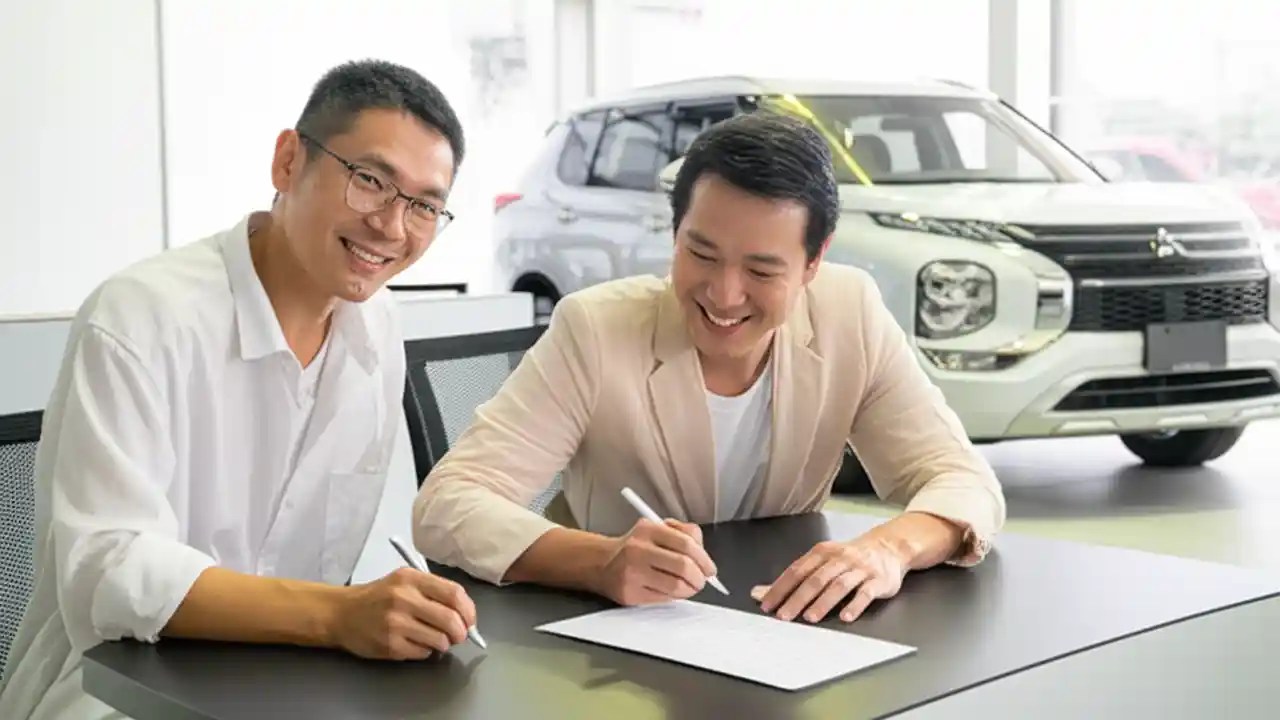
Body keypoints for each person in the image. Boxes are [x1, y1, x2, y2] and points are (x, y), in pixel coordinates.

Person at [0, 59, 478, 720]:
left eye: (424, 205)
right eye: (370, 180)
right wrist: (343, 616)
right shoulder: (140, 316)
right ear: (288, 162)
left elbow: (324, 565)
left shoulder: (377, 328)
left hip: (284, 681)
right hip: (114, 692)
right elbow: (110, 574)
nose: (393, 226)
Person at [413, 111, 1006, 624]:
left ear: (813, 262)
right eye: (701, 254)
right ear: (675, 234)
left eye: (762, 270)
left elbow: (964, 481)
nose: (724, 295)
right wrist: (599, 562)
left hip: (780, 625)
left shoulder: (849, 312)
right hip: (613, 644)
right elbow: (447, 504)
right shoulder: (596, 330)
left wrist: (888, 549)